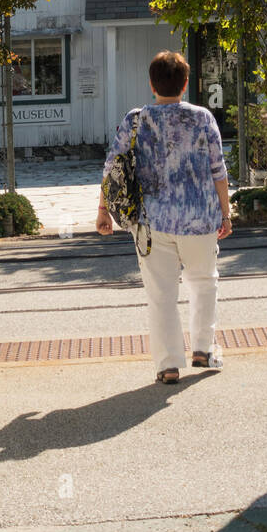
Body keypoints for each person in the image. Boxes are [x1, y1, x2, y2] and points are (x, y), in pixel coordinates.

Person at [97, 49, 232, 384]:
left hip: (151, 223)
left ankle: (168, 365)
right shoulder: (202, 118)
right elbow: (219, 171)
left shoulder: (135, 120)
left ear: (151, 84)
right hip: (199, 218)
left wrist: (103, 211)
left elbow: (111, 169)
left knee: (161, 295)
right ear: (186, 84)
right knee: (204, 283)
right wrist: (225, 214)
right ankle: (203, 349)